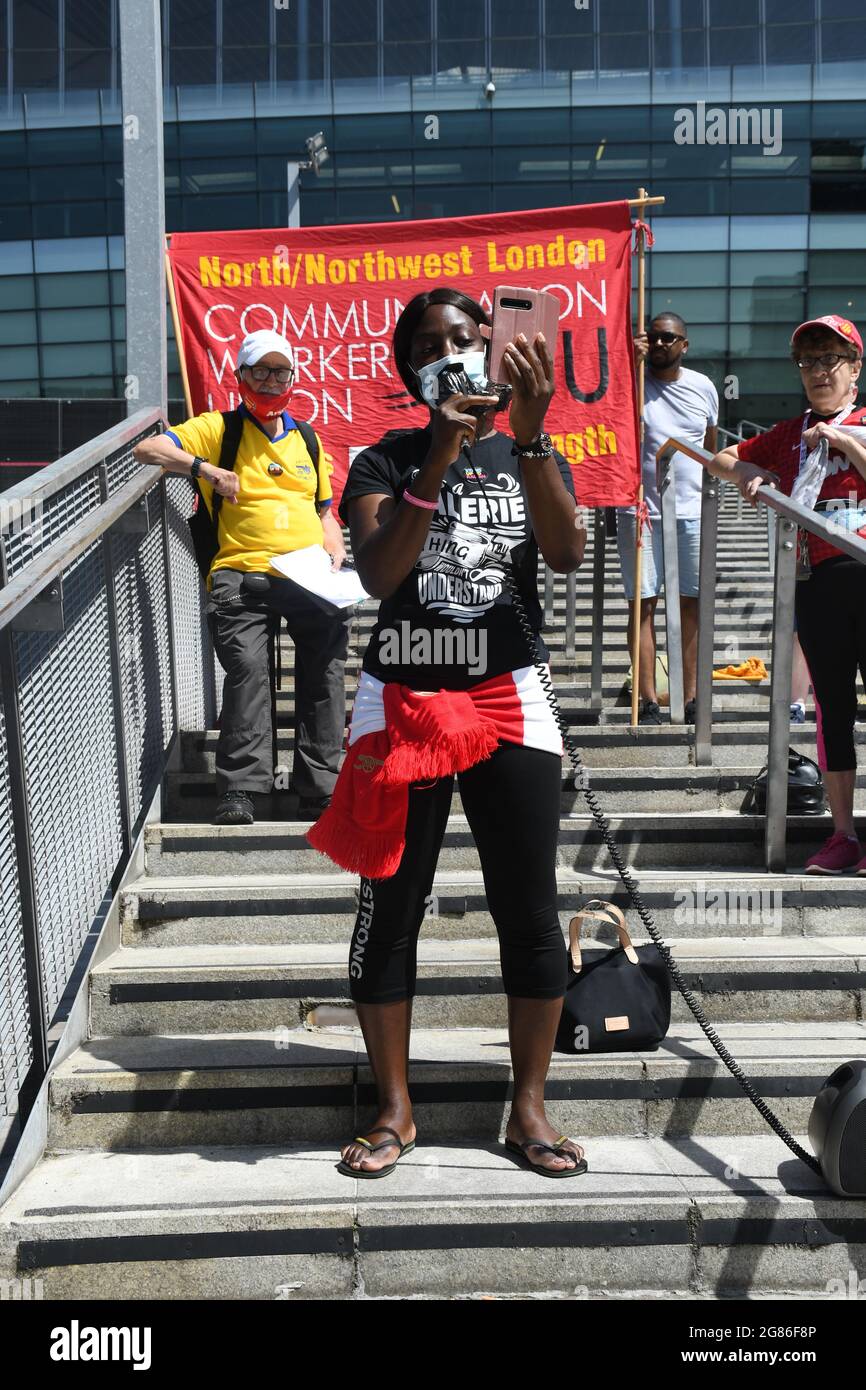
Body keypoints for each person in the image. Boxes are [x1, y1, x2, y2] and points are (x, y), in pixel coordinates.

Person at [315, 287, 588, 1177]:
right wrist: (438, 453)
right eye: (430, 345)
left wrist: (535, 431)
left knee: (530, 909)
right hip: (402, 701)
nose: (452, 352)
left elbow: (566, 551)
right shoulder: (381, 460)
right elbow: (385, 572)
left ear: (496, 349)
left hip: (508, 698)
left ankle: (530, 1109)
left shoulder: (527, 450)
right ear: (409, 371)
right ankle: (396, 1110)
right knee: (388, 909)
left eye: (467, 337)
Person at [134, 329, 350, 824]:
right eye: (260, 370)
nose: (270, 381)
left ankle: (320, 788)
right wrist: (203, 470)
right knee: (249, 670)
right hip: (240, 572)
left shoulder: (309, 438)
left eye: (280, 371)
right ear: (241, 376)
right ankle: (240, 790)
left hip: (308, 575)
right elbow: (147, 450)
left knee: (327, 668)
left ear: (292, 377)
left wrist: (334, 540)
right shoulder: (218, 428)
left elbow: (324, 510)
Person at [704, 314, 866, 874]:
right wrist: (752, 471)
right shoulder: (792, 432)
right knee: (832, 711)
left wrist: (845, 439)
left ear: (855, 369)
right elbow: (723, 457)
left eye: (830, 360)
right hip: (818, 581)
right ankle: (842, 835)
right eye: (808, 362)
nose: (818, 372)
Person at [617, 313, 718, 724]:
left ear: (684, 344)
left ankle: (691, 696)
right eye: (653, 336)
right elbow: (614, 427)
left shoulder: (703, 387)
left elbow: (711, 448)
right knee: (643, 605)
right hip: (640, 509)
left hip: (692, 509)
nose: (660, 343)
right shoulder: (632, 383)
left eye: (669, 337)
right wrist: (630, 363)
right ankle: (647, 699)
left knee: (691, 604)